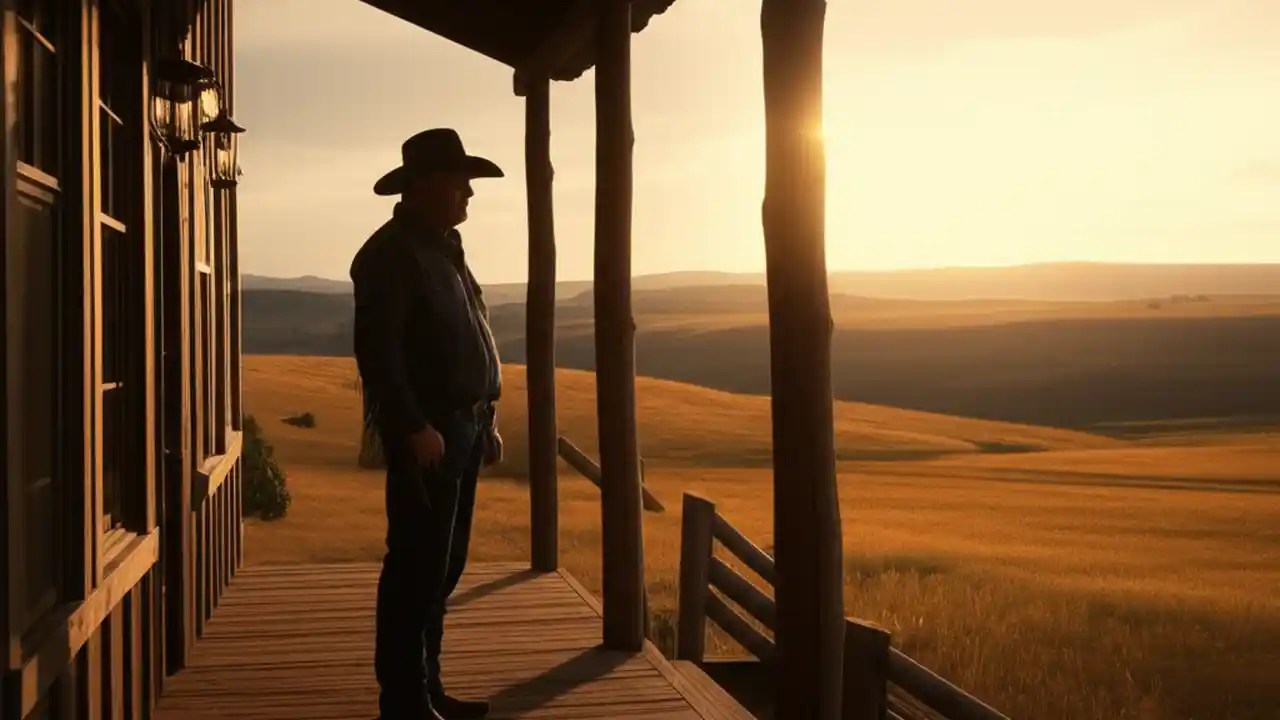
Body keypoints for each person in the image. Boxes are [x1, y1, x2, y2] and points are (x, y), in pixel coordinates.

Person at [350, 128, 505, 720]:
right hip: (430, 432)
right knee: (415, 567)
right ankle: (406, 701)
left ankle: (428, 688)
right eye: (460, 181)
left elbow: (466, 338)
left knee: (442, 567)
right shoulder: (390, 254)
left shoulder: (444, 249)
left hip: (461, 428)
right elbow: (380, 352)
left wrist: (483, 417)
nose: (469, 193)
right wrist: (413, 424)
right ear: (426, 187)